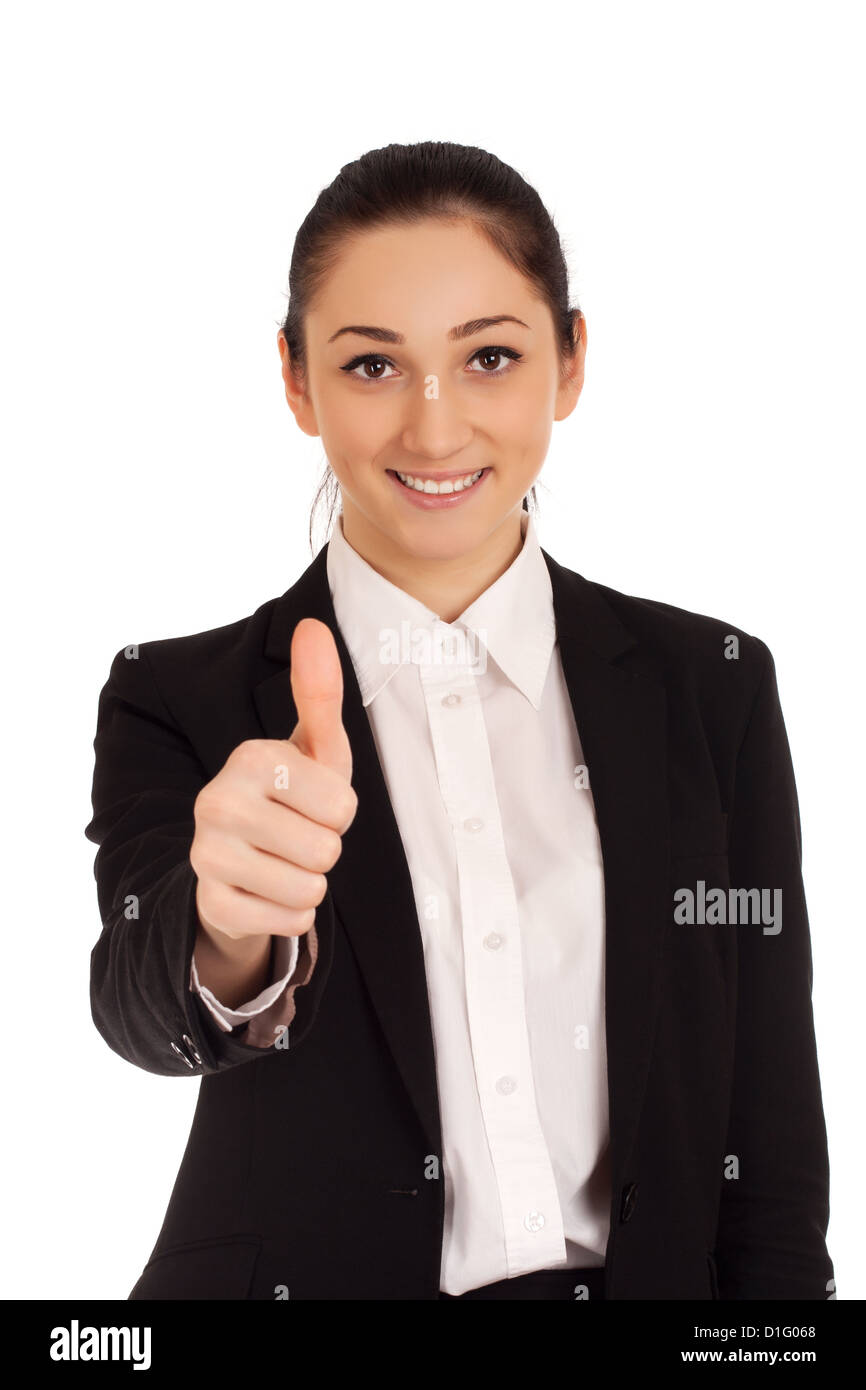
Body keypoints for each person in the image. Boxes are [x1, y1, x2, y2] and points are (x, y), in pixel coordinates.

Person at [84, 140, 833, 1301]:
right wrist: (232, 933)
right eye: (373, 366)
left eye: (489, 356)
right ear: (296, 382)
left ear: (569, 363)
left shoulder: (712, 687)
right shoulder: (178, 696)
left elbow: (768, 1136)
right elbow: (141, 1002)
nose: (434, 433)